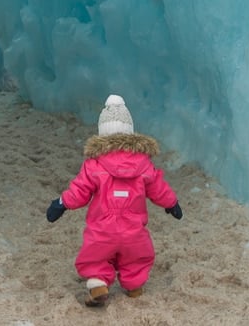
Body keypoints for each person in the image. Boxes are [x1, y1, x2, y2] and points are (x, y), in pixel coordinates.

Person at [45, 94, 183, 307]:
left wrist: (61, 203)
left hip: (102, 229)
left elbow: (79, 191)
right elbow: (159, 188)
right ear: (130, 132)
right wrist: (172, 203)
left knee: (95, 258)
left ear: (102, 134)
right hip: (133, 229)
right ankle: (134, 287)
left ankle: (99, 284)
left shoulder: (94, 164)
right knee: (137, 258)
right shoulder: (144, 164)